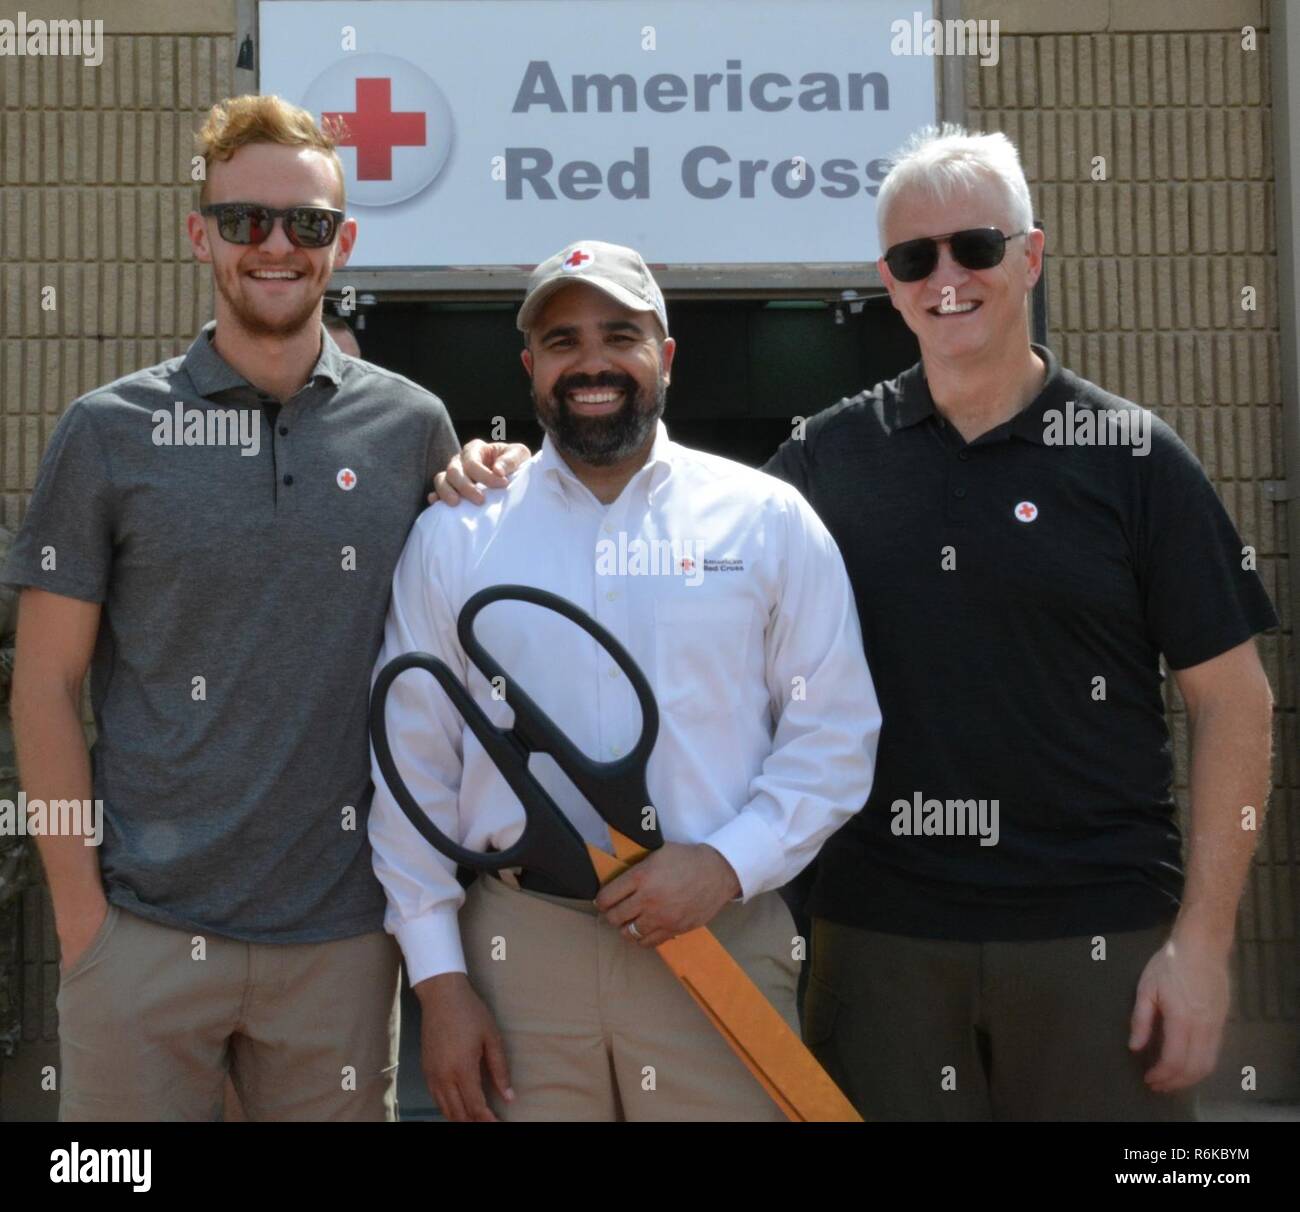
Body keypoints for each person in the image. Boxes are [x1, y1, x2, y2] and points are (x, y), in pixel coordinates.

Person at [433, 127, 1279, 1121]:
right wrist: (503, 470)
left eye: (976, 247)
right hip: (879, 943)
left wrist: (1203, 943)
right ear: (889, 279)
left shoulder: (1134, 459)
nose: (947, 277)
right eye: (916, 258)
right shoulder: (823, 465)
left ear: (1032, 254)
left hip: (1094, 939)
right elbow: (670, 544)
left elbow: (1235, 705)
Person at [3, 94, 460, 1121]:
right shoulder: (107, 431)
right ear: (198, 231)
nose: (274, 246)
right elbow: (43, 685)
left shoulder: (411, 428)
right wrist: (83, 920)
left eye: (304, 223)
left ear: (340, 242)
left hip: (341, 943)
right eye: (244, 219)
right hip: (143, 936)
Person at [369, 239, 880, 1121]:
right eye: (563, 342)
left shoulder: (765, 520)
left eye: (620, 335)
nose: (592, 362)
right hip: (519, 954)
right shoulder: (456, 536)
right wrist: (439, 982)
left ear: (666, 357)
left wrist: (725, 863)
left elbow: (833, 737)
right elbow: (411, 766)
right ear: (531, 369)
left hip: (716, 937)